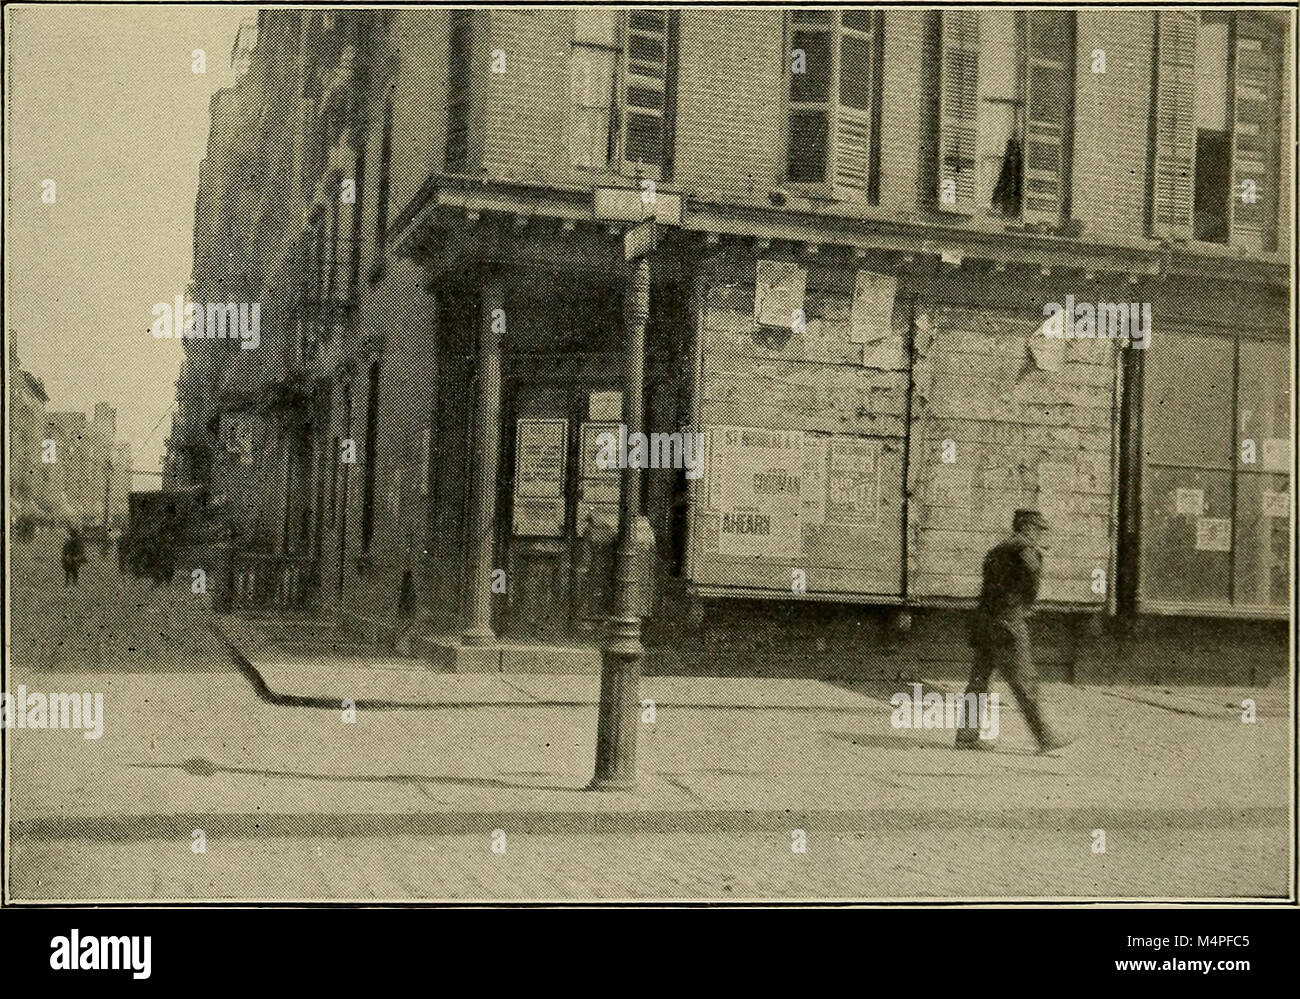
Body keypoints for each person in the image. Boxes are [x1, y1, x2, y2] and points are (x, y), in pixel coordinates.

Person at [957, 509, 1071, 754]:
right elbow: (1031, 581)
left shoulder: (996, 549)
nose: (1040, 536)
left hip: (985, 623)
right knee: (1024, 681)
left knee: (979, 681)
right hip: (1009, 624)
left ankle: (966, 737)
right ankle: (1045, 738)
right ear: (1028, 528)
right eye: (1038, 530)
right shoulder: (1027, 551)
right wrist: (1026, 604)